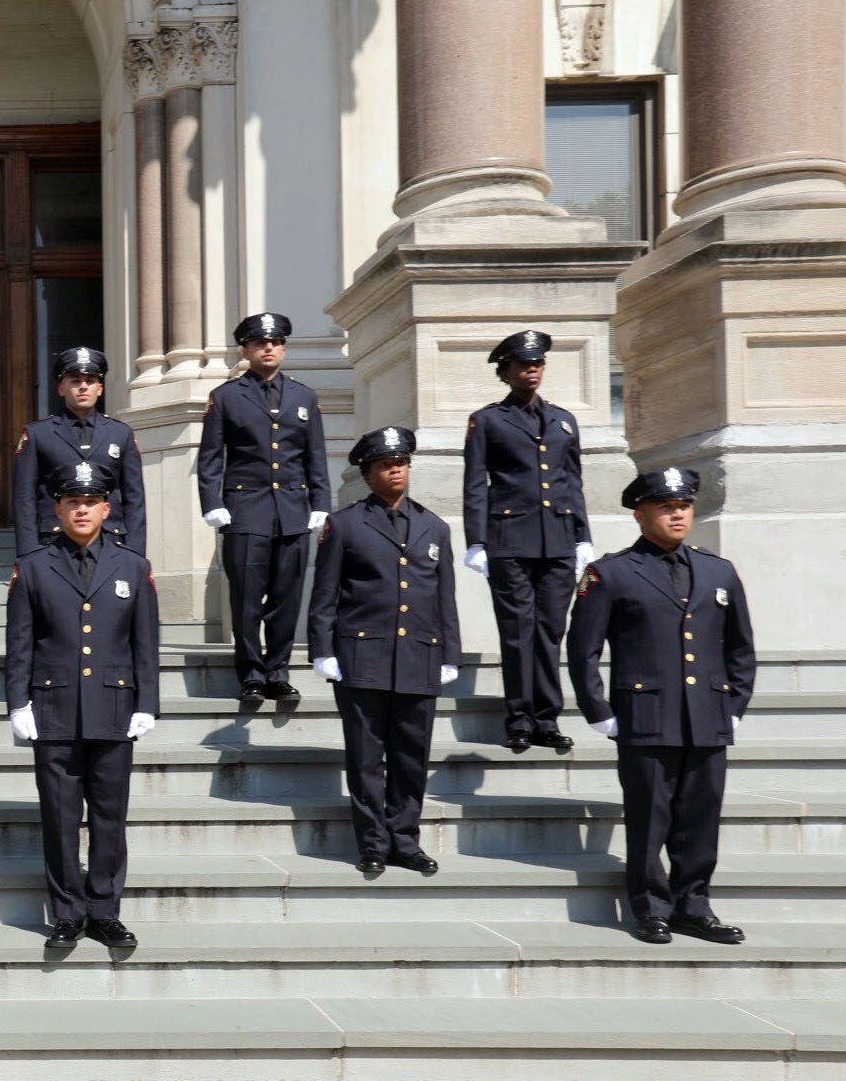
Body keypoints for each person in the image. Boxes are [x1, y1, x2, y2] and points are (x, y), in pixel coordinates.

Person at [567, 467, 755, 945]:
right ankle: (651, 907)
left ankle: (694, 905)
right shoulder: (609, 573)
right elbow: (582, 649)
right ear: (640, 514)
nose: (678, 514)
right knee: (649, 817)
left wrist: (734, 703)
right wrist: (598, 710)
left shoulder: (719, 570)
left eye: (684, 506)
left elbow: (740, 647)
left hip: (707, 717)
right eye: (667, 507)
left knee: (700, 819)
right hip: (645, 718)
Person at [6, 461, 161, 950]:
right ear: (58, 508)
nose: (81, 510)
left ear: (105, 509)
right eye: (72, 502)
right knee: (59, 816)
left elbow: (145, 644)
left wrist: (147, 703)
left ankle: (105, 912)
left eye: (89, 502)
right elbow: (20, 644)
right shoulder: (32, 566)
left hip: (114, 710)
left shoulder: (133, 566)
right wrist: (18, 703)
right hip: (53, 712)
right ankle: (68, 912)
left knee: (110, 818)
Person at [309, 427, 461, 877]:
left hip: (419, 654)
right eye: (384, 465)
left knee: (413, 755)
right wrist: (323, 649)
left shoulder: (434, 526)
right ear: (368, 473)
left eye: (401, 463)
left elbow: (443, 596)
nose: (395, 470)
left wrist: (450, 651)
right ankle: (373, 841)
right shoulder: (346, 524)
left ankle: (405, 840)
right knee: (366, 756)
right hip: (363, 657)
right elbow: (325, 595)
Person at [462, 330, 595, 754]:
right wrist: (477, 541)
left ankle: (547, 719)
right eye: (522, 365)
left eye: (537, 364)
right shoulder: (488, 420)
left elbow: (572, 483)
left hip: (557, 540)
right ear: (505, 371)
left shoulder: (563, 420)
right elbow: (475, 485)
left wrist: (582, 538)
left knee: (550, 631)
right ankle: (520, 719)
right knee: (518, 631)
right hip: (509, 540)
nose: (531, 371)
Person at [197, 312, 331, 701]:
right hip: (245, 510)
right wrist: (213, 502)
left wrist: (320, 502)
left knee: (287, 599)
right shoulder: (226, 397)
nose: (268, 348)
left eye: (274, 343)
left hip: (292, 511)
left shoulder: (304, 397)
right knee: (247, 599)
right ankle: (251, 674)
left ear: (283, 348)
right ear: (246, 350)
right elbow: (209, 457)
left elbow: (314, 456)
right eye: (259, 343)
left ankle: (279, 672)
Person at [11, 346, 146, 556]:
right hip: (52, 542)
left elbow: (134, 498)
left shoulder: (122, 434)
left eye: (90, 381)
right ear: (61, 388)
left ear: (99, 388)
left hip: (111, 540)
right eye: (75, 380)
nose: (83, 387)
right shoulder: (38, 434)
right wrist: (28, 552)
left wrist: (135, 553)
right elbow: (24, 498)